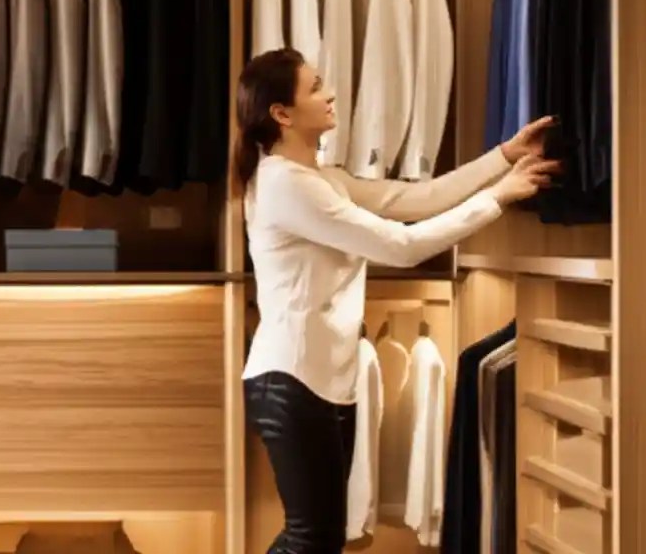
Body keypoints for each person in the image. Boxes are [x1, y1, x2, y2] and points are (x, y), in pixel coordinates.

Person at [237, 48, 556, 554]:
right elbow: (401, 247)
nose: (331, 93)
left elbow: (414, 200)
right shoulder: (286, 186)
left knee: (320, 539)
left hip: (323, 382)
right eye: (316, 86)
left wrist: (504, 158)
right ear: (281, 113)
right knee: (310, 537)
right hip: (291, 383)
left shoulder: (321, 179)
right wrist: (500, 196)